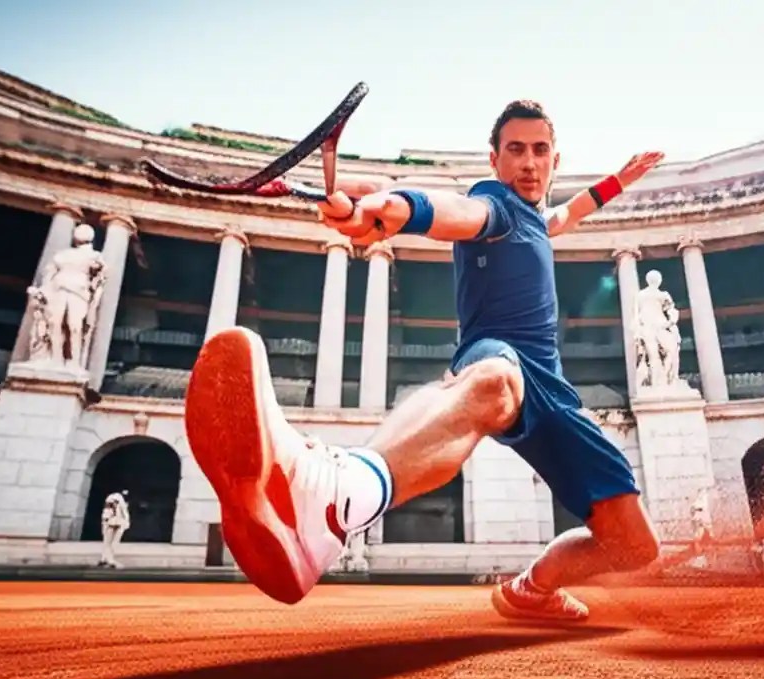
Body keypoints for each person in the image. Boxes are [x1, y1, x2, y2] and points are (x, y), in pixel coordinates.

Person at [184, 99, 663, 622]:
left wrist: (621, 179)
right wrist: (391, 210)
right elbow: (451, 211)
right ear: (495, 160)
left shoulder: (536, 220)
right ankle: (338, 494)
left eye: (540, 150)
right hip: (498, 356)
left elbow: (571, 212)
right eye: (515, 150)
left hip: (554, 391)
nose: (528, 162)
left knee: (634, 545)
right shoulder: (495, 205)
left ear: (554, 160)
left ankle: (533, 590)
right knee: (496, 381)